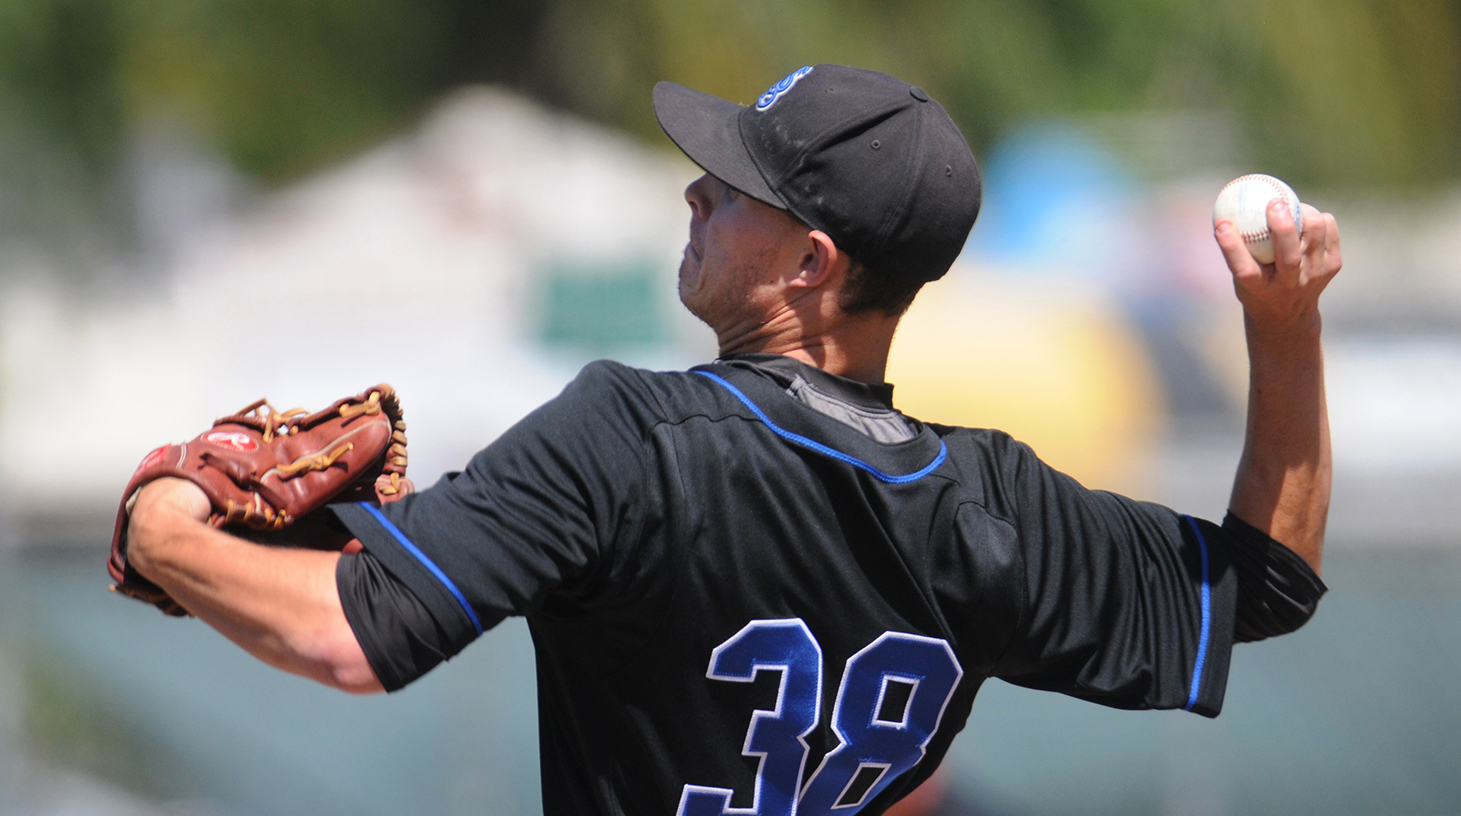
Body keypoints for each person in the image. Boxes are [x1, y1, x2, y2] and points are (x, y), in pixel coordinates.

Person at [123, 64, 1340, 816]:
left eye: (733, 185)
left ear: (812, 264)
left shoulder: (629, 439)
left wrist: (163, 527)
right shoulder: (991, 503)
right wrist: (1284, 331)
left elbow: (346, 639)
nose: (695, 194)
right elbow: (1267, 586)